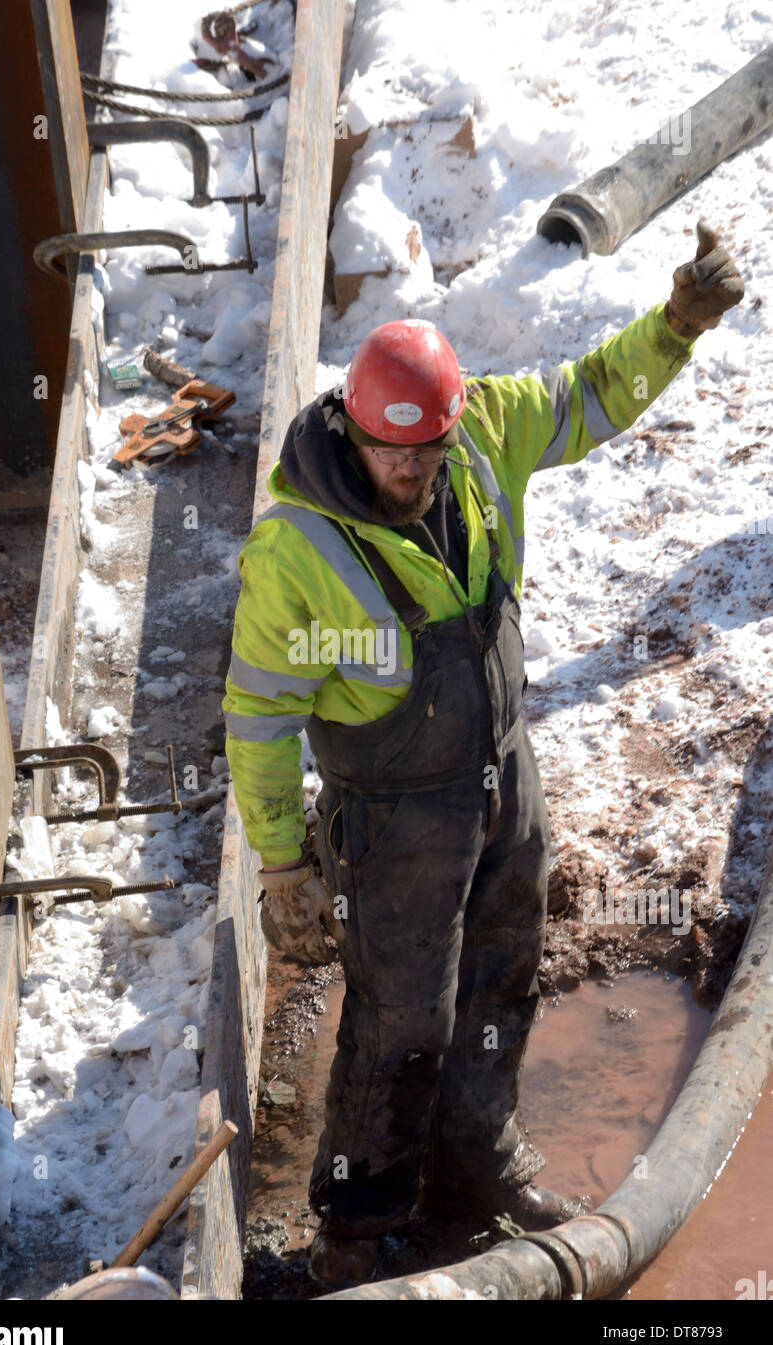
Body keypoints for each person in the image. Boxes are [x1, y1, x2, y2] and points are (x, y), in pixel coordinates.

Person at [223, 220, 744, 1286]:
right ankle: (363, 1225)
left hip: (503, 777)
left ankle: (479, 1165)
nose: (408, 468)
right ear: (354, 427)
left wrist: (678, 326)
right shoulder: (299, 550)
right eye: (389, 448)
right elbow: (261, 713)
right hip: (394, 810)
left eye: (426, 447)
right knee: (401, 1012)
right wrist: (281, 861)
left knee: (502, 973)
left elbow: (589, 396)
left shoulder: (485, 434)